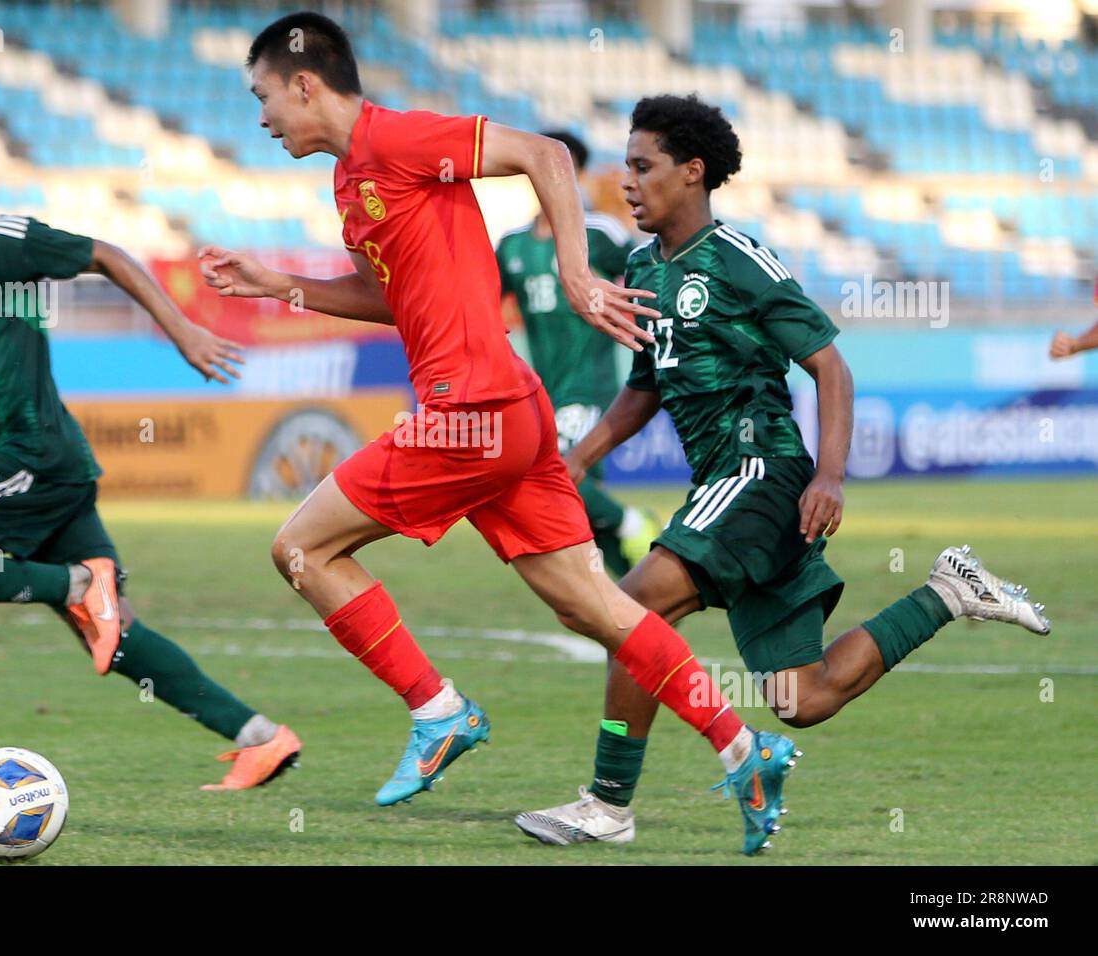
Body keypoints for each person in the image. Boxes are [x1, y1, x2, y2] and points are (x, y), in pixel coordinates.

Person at [199, 12, 800, 854]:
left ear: (305, 83)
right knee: (593, 605)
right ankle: (746, 749)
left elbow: (545, 155)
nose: (261, 118)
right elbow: (394, 303)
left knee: (304, 549)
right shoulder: (349, 184)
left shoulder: (400, 140)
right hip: (509, 414)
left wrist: (573, 269)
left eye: (264, 97)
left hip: (469, 412)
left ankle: (438, 710)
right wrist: (278, 286)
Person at [515, 95, 1051, 846]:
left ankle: (608, 806)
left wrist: (829, 476)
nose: (627, 183)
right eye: (625, 167)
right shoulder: (642, 266)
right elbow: (644, 386)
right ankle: (946, 593)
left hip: (761, 472)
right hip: (726, 488)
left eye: (643, 166)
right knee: (805, 696)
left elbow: (831, 368)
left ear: (692, 172)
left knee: (629, 610)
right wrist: (577, 461)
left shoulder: (737, 258)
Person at [0, 135, 300, 792]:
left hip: (34, 454)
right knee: (114, 631)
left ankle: (77, 582)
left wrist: (183, 329)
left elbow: (106, 255)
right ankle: (262, 738)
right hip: (38, 467)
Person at [495, 129, 656, 577]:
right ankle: (629, 604)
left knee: (555, 475)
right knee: (581, 495)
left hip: (591, 383)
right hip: (544, 388)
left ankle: (633, 522)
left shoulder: (599, 233)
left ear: (576, 174)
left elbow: (650, 274)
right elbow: (483, 301)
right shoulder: (512, 245)